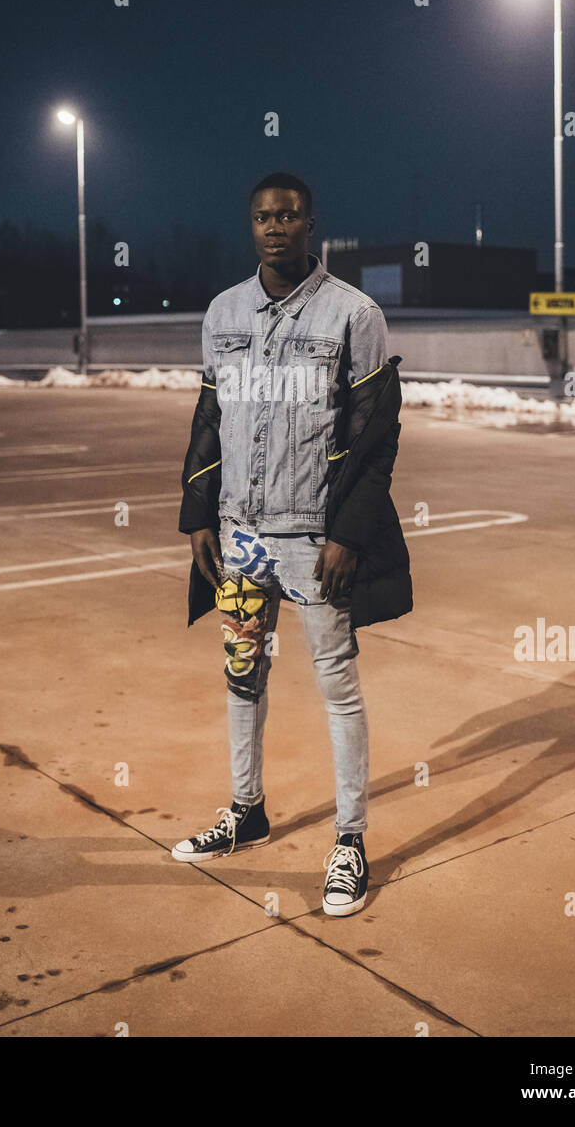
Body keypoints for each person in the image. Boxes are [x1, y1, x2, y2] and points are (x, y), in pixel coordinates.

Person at [172, 172, 412, 916]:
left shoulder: (353, 315)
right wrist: (199, 516)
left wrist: (348, 532)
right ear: (251, 227)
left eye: (288, 216)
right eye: (262, 217)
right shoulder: (222, 314)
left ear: (312, 225)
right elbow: (209, 419)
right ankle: (247, 809)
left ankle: (350, 841)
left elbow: (377, 438)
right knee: (242, 677)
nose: (274, 227)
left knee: (337, 689)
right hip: (242, 538)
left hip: (314, 541)